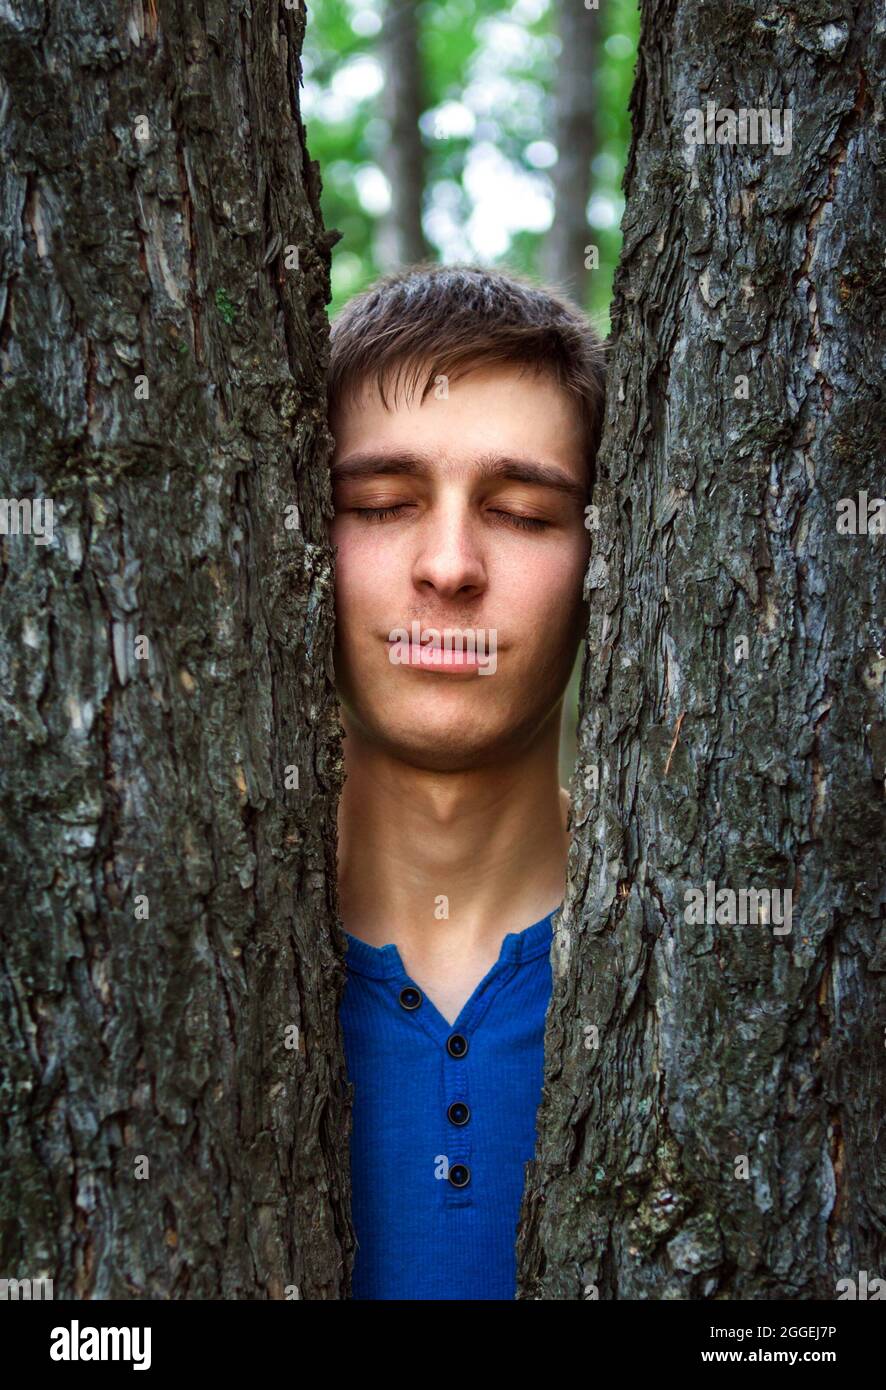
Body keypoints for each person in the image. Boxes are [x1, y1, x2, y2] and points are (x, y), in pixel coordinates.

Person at [328, 264, 606, 1299]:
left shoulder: (704, 970)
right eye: (383, 502)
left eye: (526, 514)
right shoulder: (191, 953)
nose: (449, 565)